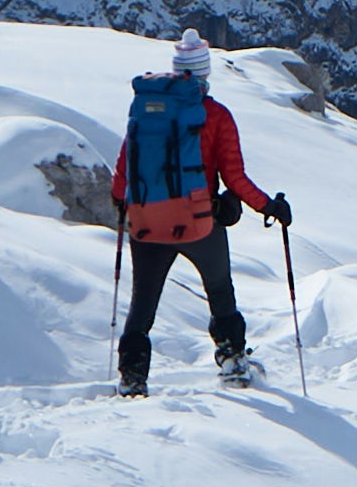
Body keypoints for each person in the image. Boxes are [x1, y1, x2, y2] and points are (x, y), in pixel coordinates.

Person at [114, 30, 289, 395]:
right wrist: (269, 207)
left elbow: (125, 165)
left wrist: (123, 204)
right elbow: (235, 178)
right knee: (220, 290)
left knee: (142, 303)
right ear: (205, 75)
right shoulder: (216, 116)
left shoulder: (147, 111)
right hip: (198, 222)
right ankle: (232, 362)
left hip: (147, 222)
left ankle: (133, 378)